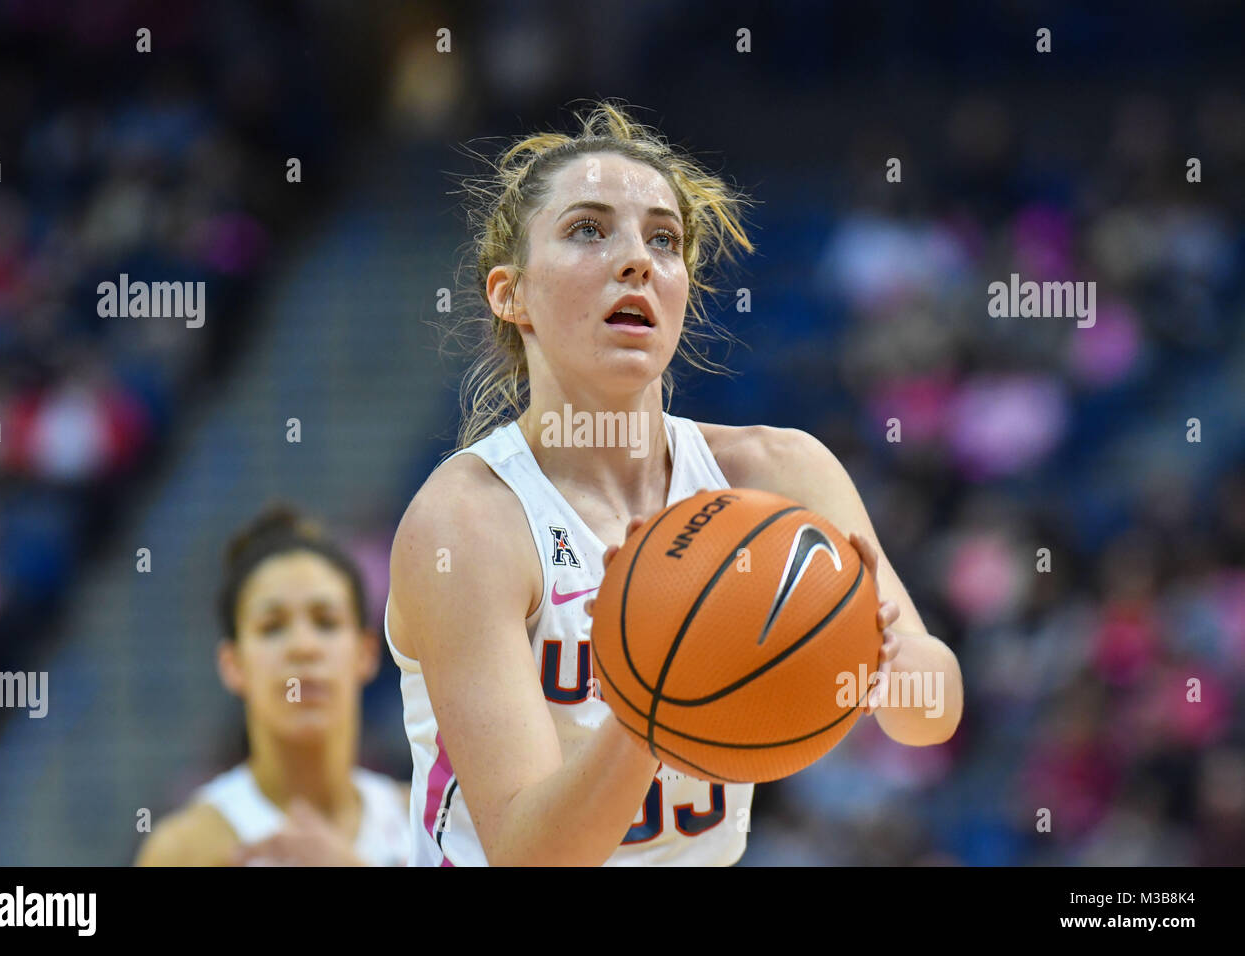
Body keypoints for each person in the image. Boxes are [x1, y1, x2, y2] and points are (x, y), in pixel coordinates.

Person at [385, 100, 964, 866]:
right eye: (588, 229)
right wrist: (651, 689)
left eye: (663, 239)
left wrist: (896, 664)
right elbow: (531, 856)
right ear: (510, 294)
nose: (637, 260)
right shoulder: (467, 523)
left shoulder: (777, 473)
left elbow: (932, 716)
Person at [136, 505, 410, 866]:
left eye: (326, 622)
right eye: (272, 626)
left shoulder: (421, 819)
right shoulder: (186, 849)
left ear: (367, 652)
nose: (303, 647)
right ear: (233, 664)